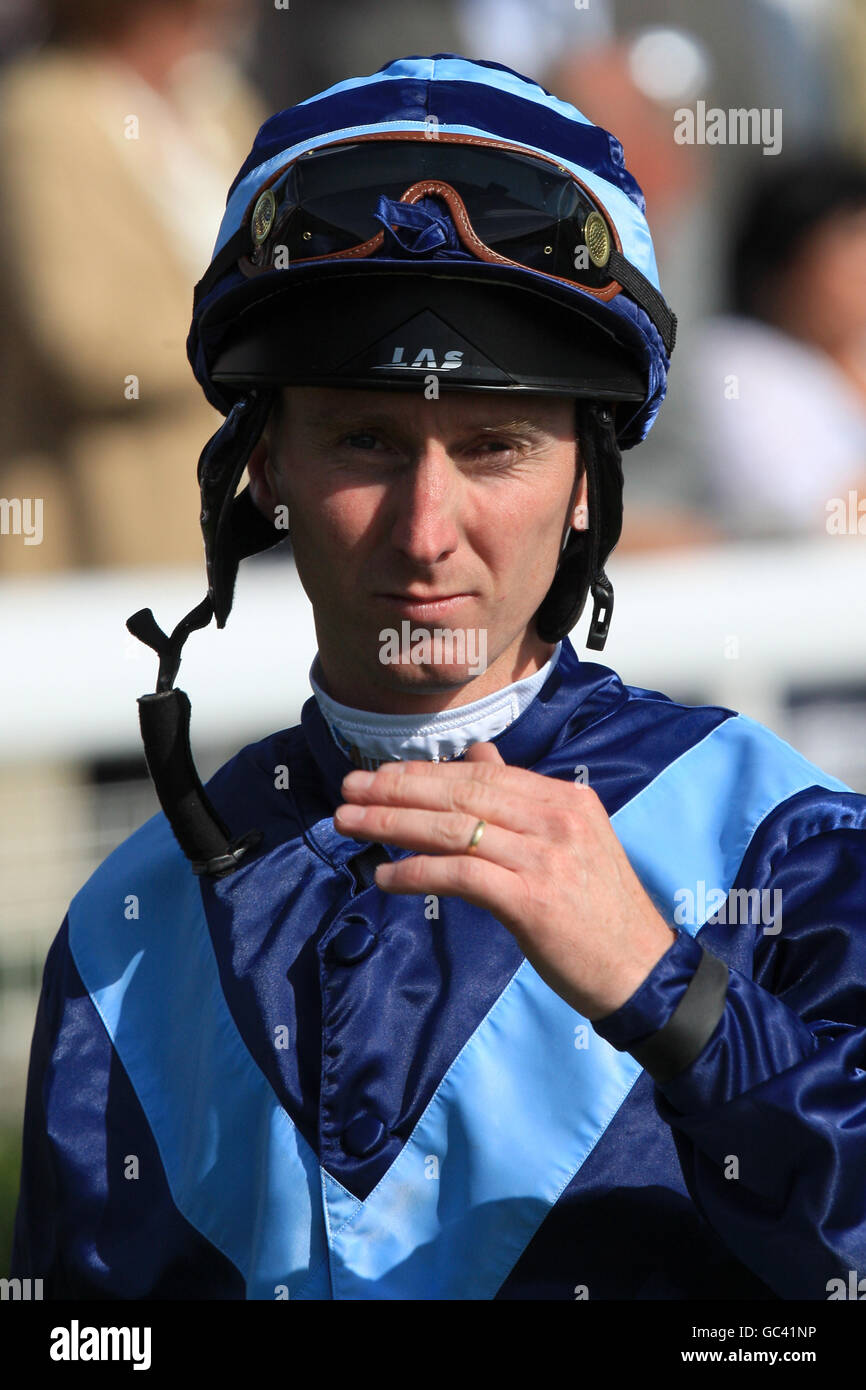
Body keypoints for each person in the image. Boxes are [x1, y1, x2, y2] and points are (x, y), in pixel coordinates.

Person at [11, 54, 866, 1301]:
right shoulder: (124, 926)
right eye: (364, 441)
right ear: (264, 471)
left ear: (587, 482)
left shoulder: (778, 841)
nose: (426, 530)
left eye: (494, 445)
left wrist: (662, 986)